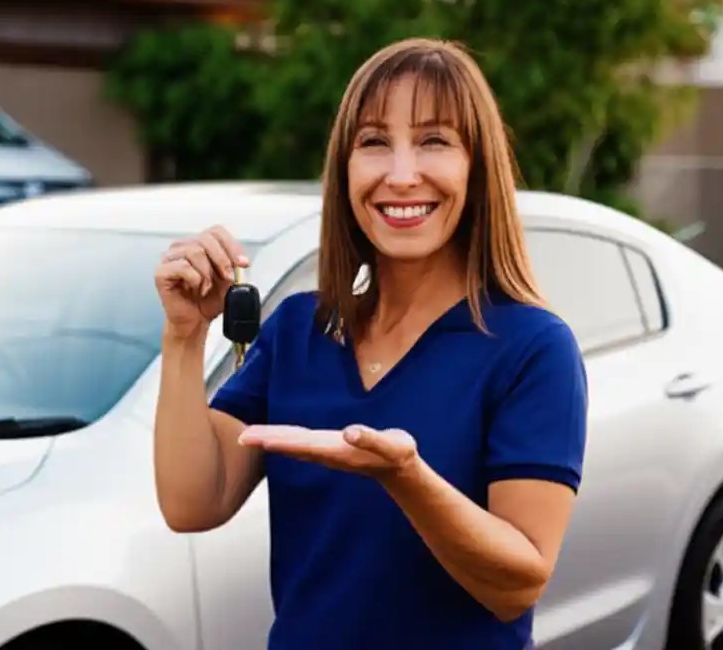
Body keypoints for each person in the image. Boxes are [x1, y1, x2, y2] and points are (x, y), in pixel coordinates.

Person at [152, 37, 588, 650]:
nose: (401, 175)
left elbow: (515, 583)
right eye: (374, 142)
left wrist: (404, 476)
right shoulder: (297, 330)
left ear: (476, 168)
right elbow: (192, 503)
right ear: (346, 168)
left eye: (434, 141)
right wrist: (184, 335)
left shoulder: (531, 348)